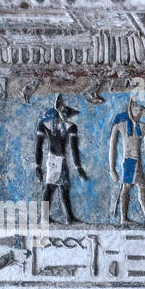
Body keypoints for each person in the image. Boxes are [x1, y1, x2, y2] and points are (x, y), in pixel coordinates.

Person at [34, 94, 87, 224]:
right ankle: (45, 218)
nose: (65, 114)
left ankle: (69, 217)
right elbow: (38, 147)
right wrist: (37, 166)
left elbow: (74, 149)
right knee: (50, 187)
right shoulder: (45, 125)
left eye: (67, 113)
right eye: (63, 112)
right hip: (53, 159)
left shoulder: (70, 127)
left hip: (62, 160)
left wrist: (78, 167)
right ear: (58, 112)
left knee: (63, 188)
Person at [108, 97, 145, 224]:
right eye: (139, 108)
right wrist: (112, 169)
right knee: (130, 187)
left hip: (136, 162)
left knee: (137, 187)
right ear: (133, 108)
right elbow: (112, 147)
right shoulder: (121, 125)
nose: (141, 112)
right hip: (130, 162)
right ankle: (126, 218)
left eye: (142, 109)